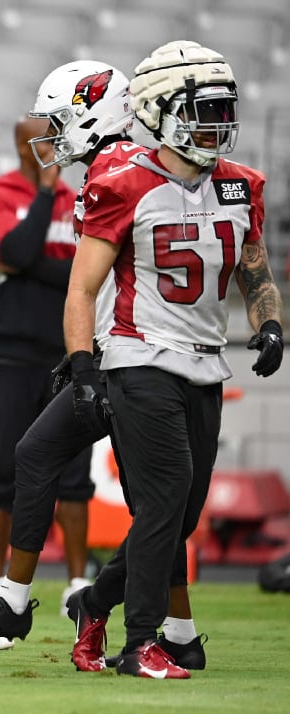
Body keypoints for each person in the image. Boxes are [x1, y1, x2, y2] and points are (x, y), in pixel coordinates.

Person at [0, 59, 213, 675]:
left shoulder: (117, 172)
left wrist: (86, 357)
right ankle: (17, 599)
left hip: (146, 360)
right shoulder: (121, 168)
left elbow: (78, 281)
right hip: (117, 352)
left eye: (62, 121)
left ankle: (130, 617)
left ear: (96, 115)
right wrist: (83, 355)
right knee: (45, 458)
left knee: (159, 507)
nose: (53, 136)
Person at [62, 41, 278, 679]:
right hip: (140, 356)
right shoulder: (123, 183)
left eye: (221, 110)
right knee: (163, 503)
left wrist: (269, 327)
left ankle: (93, 603)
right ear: (156, 111)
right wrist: (82, 364)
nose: (214, 124)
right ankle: (140, 644)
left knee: (180, 515)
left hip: (206, 363)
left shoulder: (240, 186)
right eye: (199, 109)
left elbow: (255, 271)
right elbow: (82, 287)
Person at [0, 113, 92, 609]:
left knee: (75, 472)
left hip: (68, 352)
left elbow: (87, 272)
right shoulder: (1, 195)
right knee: (3, 468)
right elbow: (19, 249)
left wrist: (31, 266)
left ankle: (76, 581)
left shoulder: (78, 201)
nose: (52, 149)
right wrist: (44, 194)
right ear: (23, 148)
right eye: (42, 142)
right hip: (13, 354)